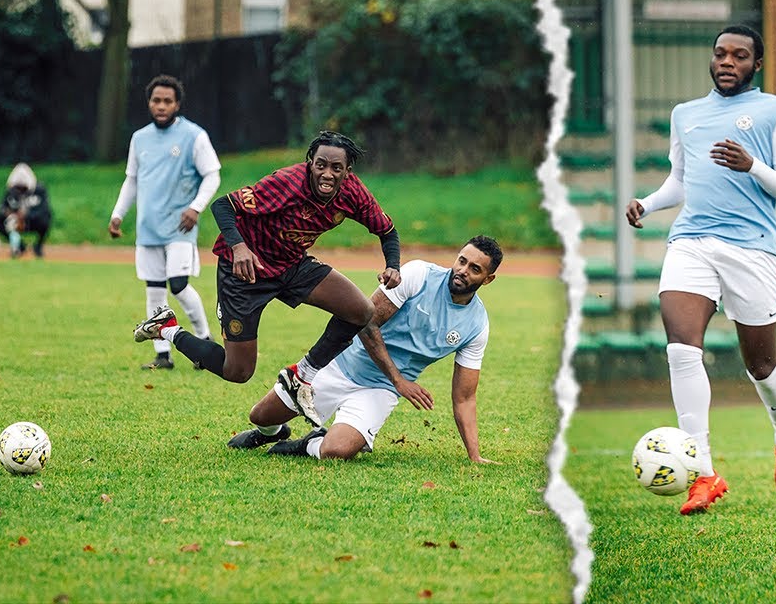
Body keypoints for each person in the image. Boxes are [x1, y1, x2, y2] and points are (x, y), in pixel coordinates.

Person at [624, 24, 776, 515]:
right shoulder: (686, 114)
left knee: (761, 367)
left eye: (739, 55)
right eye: (721, 54)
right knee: (682, 350)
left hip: (752, 249)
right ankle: (704, 473)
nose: (727, 61)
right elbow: (680, 182)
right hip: (691, 242)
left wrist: (752, 167)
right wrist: (649, 201)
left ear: (756, 65)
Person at [132, 130, 402, 429]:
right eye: (321, 165)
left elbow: (387, 231)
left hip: (291, 265)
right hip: (245, 272)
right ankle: (167, 329)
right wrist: (239, 247)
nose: (327, 173)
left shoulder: (353, 193)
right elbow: (223, 205)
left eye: (336, 168)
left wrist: (393, 266)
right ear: (310, 163)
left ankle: (301, 376)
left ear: (347, 172)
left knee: (361, 310)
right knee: (238, 371)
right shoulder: (286, 183)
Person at [227, 236, 502, 463]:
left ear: (487, 279)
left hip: (380, 390)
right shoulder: (419, 275)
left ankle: (307, 445)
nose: (463, 270)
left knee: (336, 451)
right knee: (261, 415)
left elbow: (465, 397)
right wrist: (400, 381)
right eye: (462, 261)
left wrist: (475, 456)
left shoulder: (476, 325)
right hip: (341, 364)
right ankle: (270, 433)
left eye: (475, 269)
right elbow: (365, 322)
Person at [109, 75, 222, 370]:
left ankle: (203, 341)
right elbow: (132, 180)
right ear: (149, 102)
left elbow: (213, 175)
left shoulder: (193, 136)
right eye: (156, 100)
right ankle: (162, 353)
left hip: (179, 228)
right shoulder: (140, 138)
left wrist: (195, 208)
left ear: (177, 104)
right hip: (148, 229)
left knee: (179, 285)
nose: (161, 106)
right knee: (154, 290)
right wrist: (118, 215)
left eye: (167, 101)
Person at [0, 163, 52, 258]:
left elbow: (44, 209)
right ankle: (19, 246)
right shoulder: (10, 192)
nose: (20, 191)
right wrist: (9, 213)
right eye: (17, 188)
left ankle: (38, 246)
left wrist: (27, 215)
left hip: (33, 221)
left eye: (22, 188)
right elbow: (1, 207)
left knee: (47, 218)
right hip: (14, 221)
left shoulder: (39, 190)